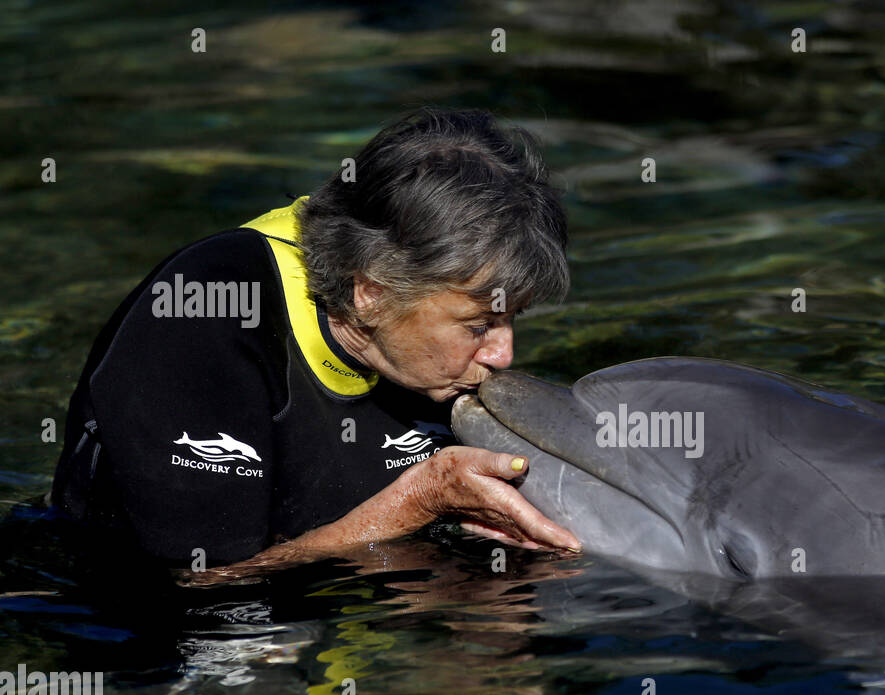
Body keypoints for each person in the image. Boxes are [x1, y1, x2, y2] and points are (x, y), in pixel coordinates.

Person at [49, 106, 581, 573]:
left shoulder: (425, 342)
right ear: (371, 294)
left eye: (516, 317)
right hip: (135, 619)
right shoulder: (207, 315)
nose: (503, 355)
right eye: (478, 326)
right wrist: (425, 498)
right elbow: (203, 591)